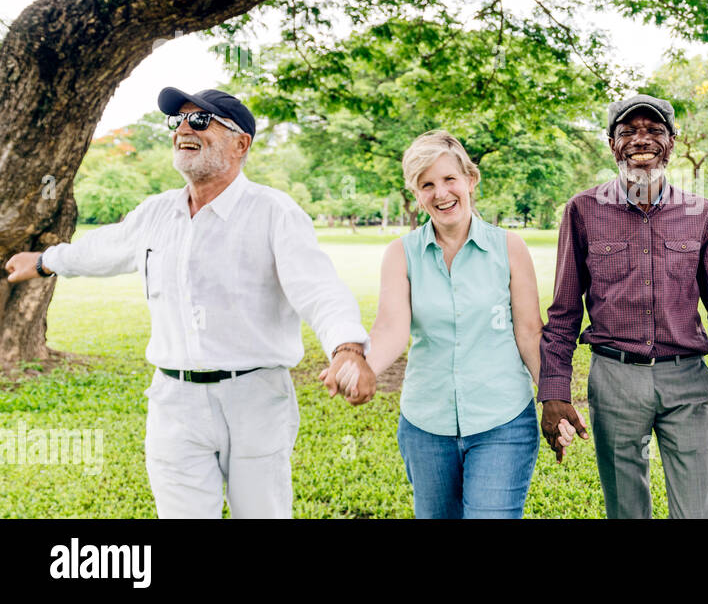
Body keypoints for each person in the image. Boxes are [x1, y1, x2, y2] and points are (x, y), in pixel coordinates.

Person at [4, 87, 372, 519]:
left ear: (241, 144)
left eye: (200, 121)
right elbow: (104, 249)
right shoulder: (157, 212)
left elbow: (319, 288)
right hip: (173, 401)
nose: (183, 129)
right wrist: (46, 260)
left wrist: (347, 348)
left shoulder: (274, 212)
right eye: (177, 122)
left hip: (255, 398)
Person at [538, 93, 708, 519]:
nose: (641, 139)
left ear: (672, 143)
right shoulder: (583, 211)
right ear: (612, 144)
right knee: (625, 510)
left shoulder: (701, 213)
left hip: (686, 380)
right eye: (628, 131)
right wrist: (554, 391)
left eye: (654, 130)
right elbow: (564, 314)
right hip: (614, 380)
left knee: (695, 511)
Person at [323, 130, 543, 519]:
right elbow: (392, 327)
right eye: (427, 185)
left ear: (470, 180)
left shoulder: (510, 247)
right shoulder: (401, 253)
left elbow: (528, 332)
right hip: (426, 425)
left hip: (503, 421)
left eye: (449, 180)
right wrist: (362, 370)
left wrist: (553, 396)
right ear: (417, 194)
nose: (440, 193)